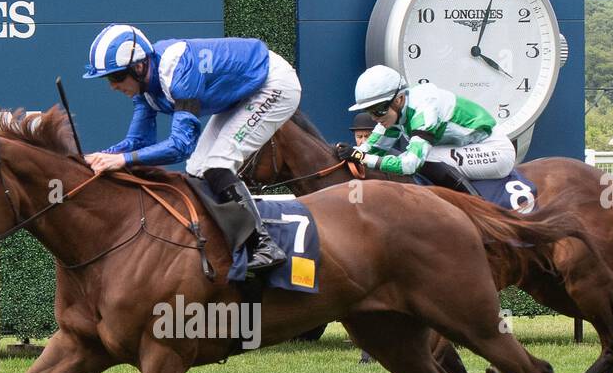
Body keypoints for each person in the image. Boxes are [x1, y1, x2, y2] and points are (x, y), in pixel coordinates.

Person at [83, 24, 300, 271]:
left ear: (139, 66)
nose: (112, 85)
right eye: (107, 79)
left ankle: (263, 245)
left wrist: (122, 160)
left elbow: (181, 145)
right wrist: (94, 158)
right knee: (197, 169)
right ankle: (228, 243)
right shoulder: (143, 89)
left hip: (272, 83)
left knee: (218, 163)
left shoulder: (177, 70)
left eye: (116, 76)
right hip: (242, 93)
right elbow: (138, 143)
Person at [336, 65, 516, 194]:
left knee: (427, 158)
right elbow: (367, 150)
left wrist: (362, 157)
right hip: (465, 146)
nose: (374, 117)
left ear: (398, 100)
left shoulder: (424, 110)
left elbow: (409, 164)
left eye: (378, 110)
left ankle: (477, 211)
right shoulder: (396, 113)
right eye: (369, 111)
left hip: (495, 150)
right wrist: (347, 153)